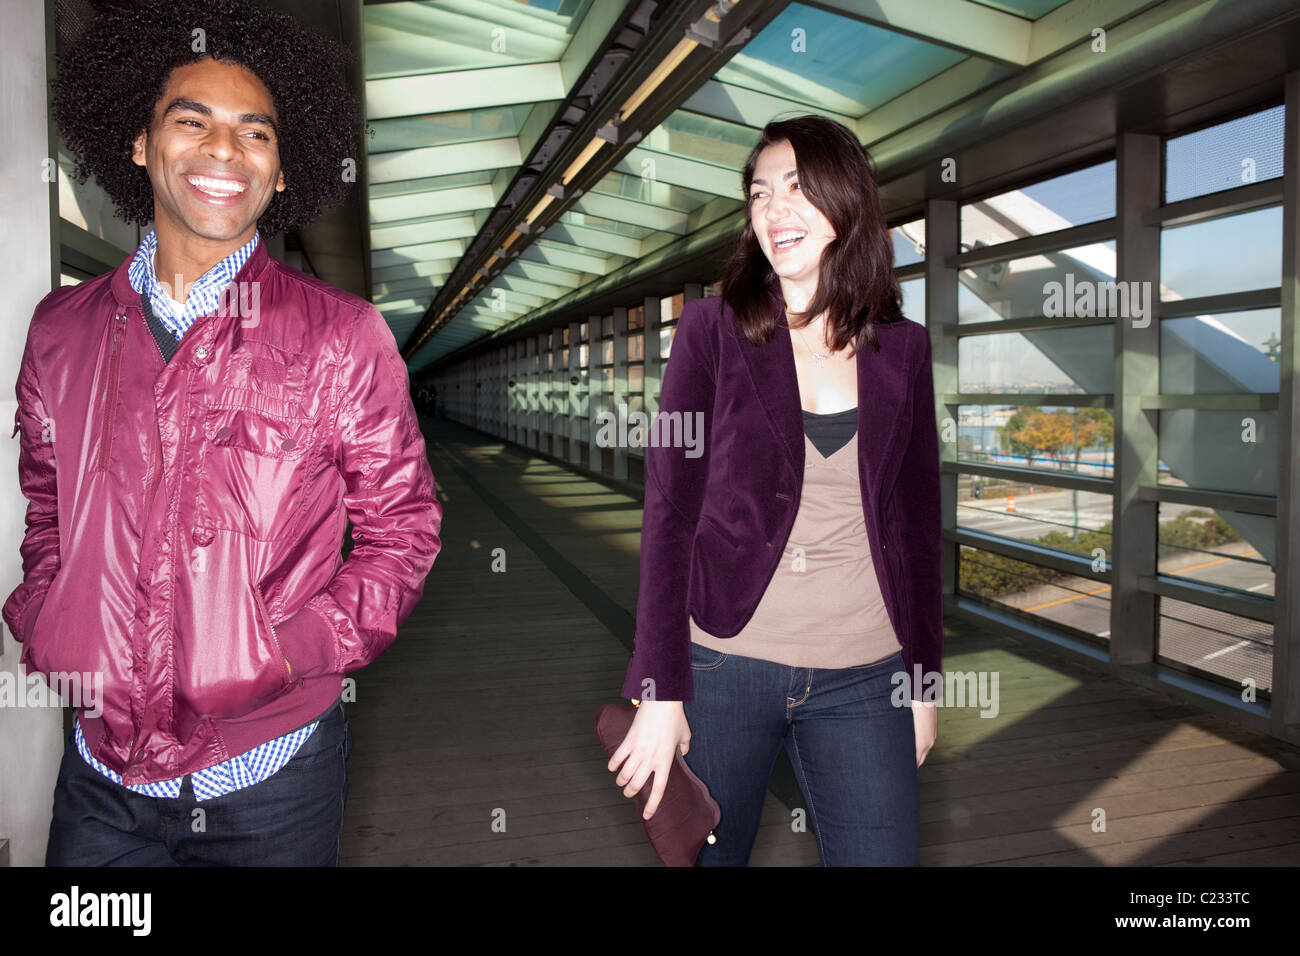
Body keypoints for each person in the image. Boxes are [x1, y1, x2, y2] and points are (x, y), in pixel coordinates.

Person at [3, 0, 442, 866]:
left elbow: (404, 535)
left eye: (256, 133)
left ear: (281, 173)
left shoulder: (339, 335)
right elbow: (47, 508)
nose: (224, 150)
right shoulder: (61, 330)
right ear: (139, 144)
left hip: (269, 778)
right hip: (102, 777)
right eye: (192, 119)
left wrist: (287, 652)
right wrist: (50, 617)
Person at [608, 115, 942, 866]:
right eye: (759, 193)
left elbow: (919, 526)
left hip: (868, 671)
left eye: (795, 186)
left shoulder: (904, 350)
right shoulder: (709, 332)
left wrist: (923, 684)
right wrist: (660, 688)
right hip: (726, 663)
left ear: (845, 199)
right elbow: (669, 514)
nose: (773, 209)